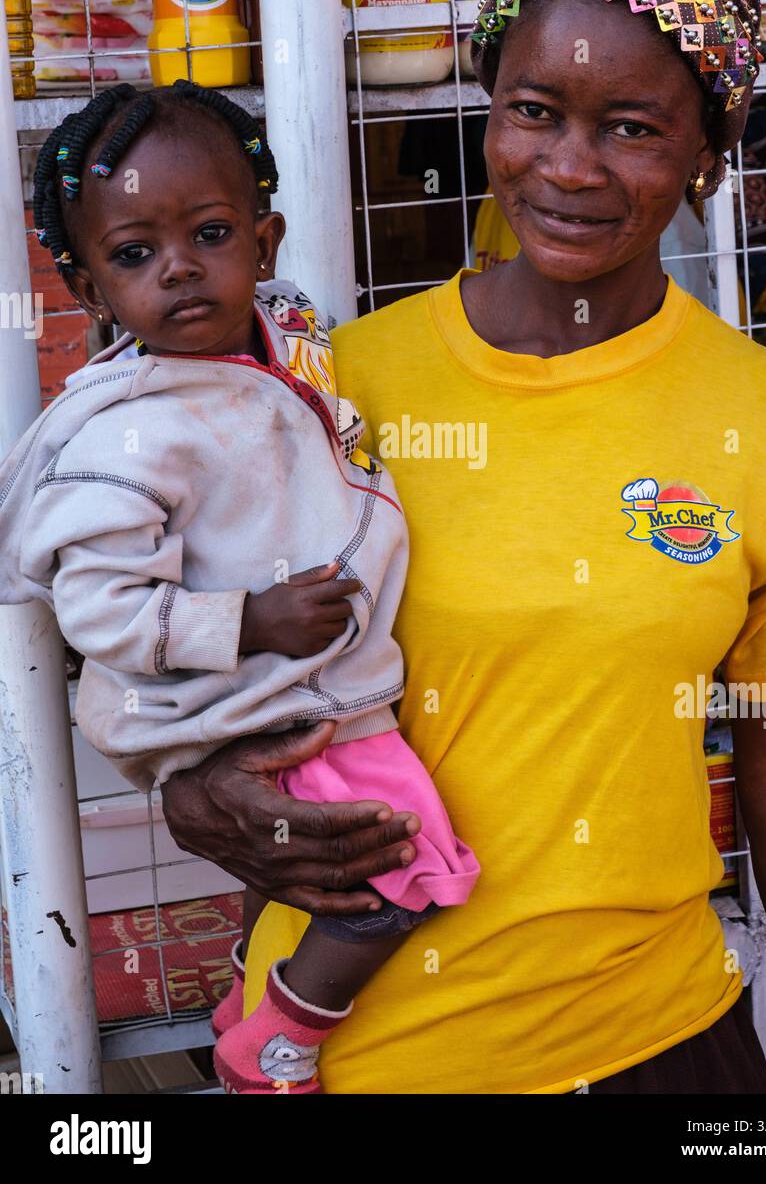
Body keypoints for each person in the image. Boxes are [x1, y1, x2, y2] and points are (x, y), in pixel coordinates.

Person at [159, 0, 766, 1094]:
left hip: (656, 1047)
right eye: (533, 112)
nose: (568, 167)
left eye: (631, 128)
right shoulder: (330, 392)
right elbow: (176, 654)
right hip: (360, 1049)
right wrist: (189, 789)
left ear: (708, 154)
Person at [0, 80, 479, 1095]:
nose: (177, 267)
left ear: (263, 244)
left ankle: (243, 999)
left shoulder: (281, 340)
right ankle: (277, 1042)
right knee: (404, 879)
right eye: (133, 255)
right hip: (271, 705)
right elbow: (101, 610)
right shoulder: (127, 430)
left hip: (319, 693)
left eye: (209, 232)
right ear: (89, 292)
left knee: (347, 876)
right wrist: (249, 621)